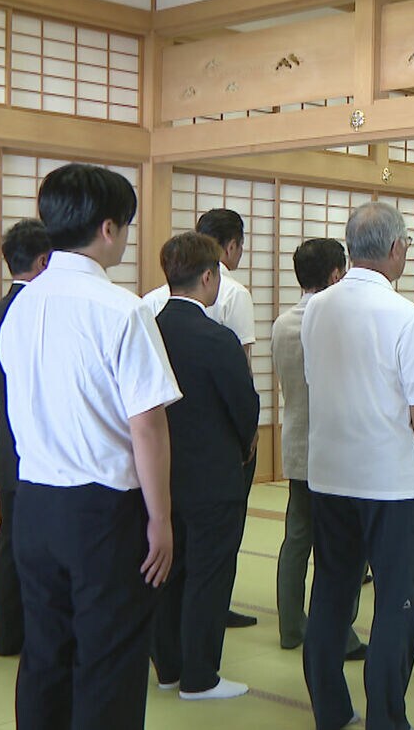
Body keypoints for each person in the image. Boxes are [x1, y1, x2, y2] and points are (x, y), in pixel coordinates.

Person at [0, 163, 181, 730]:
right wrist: (161, 519)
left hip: (33, 505)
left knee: (47, 653)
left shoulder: (19, 305)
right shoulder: (120, 309)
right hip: (103, 510)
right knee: (110, 659)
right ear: (108, 229)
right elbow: (146, 424)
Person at [301, 201, 414, 730]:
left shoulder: (317, 307)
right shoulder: (406, 315)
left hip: (329, 472)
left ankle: (330, 711)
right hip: (388, 478)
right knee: (397, 600)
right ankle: (386, 716)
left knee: (332, 592)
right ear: (395, 248)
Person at [150, 232, 260, 700]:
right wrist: (242, 447)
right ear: (209, 276)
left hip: (158, 474)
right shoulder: (218, 338)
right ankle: (200, 676)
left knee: (166, 571)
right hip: (213, 475)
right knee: (210, 574)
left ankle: (169, 667)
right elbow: (245, 407)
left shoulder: (146, 328)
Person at [272, 238, 368, 659]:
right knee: (341, 548)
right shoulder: (339, 322)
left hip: (296, 441)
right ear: (335, 275)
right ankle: (340, 634)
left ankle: (291, 626)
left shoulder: (282, 323)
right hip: (338, 450)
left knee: (296, 539)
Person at [0, 219, 51, 657]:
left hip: (8, 441)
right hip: (39, 445)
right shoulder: (38, 310)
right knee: (39, 544)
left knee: (10, 541)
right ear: (45, 261)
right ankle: (36, 634)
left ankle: (8, 634)